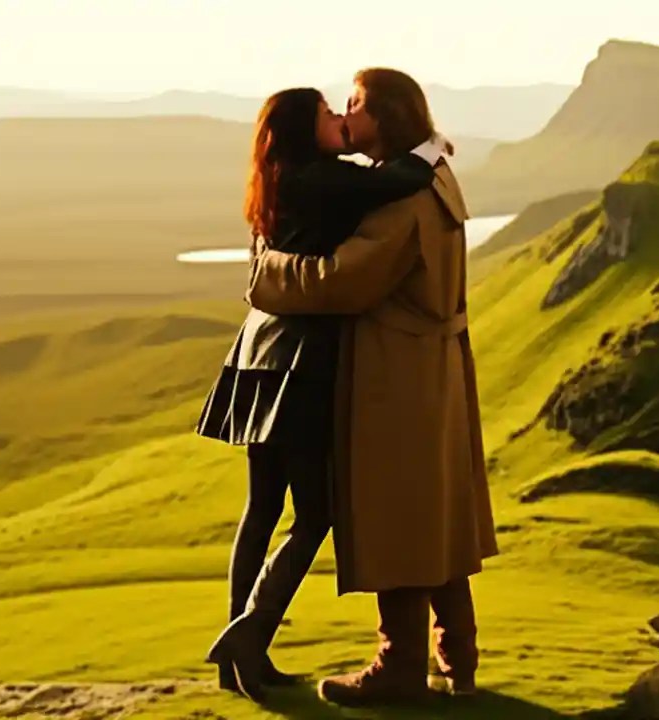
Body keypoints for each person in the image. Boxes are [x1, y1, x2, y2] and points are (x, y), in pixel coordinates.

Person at [245, 68, 500, 707]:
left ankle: (402, 664)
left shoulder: (396, 200)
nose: (347, 116)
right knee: (438, 515)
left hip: (397, 374)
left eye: (354, 105)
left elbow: (339, 281)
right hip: (431, 366)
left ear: (384, 117)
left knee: (401, 518)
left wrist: (267, 272)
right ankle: (457, 660)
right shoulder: (435, 176)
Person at [194, 86, 447, 702]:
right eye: (329, 114)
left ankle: (239, 660)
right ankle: (248, 639)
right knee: (313, 515)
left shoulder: (283, 178)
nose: (339, 118)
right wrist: (434, 146)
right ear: (308, 131)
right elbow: (398, 180)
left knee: (262, 511)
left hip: (262, 351)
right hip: (297, 361)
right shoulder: (319, 179)